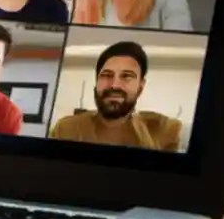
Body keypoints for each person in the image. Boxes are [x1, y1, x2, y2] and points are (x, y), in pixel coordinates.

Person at [49, 41, 183, 151]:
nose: (114, 85)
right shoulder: (65, 129)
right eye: (107, 75)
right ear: (96, 82)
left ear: (140, 87)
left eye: (126, 76)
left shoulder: (165, 129)